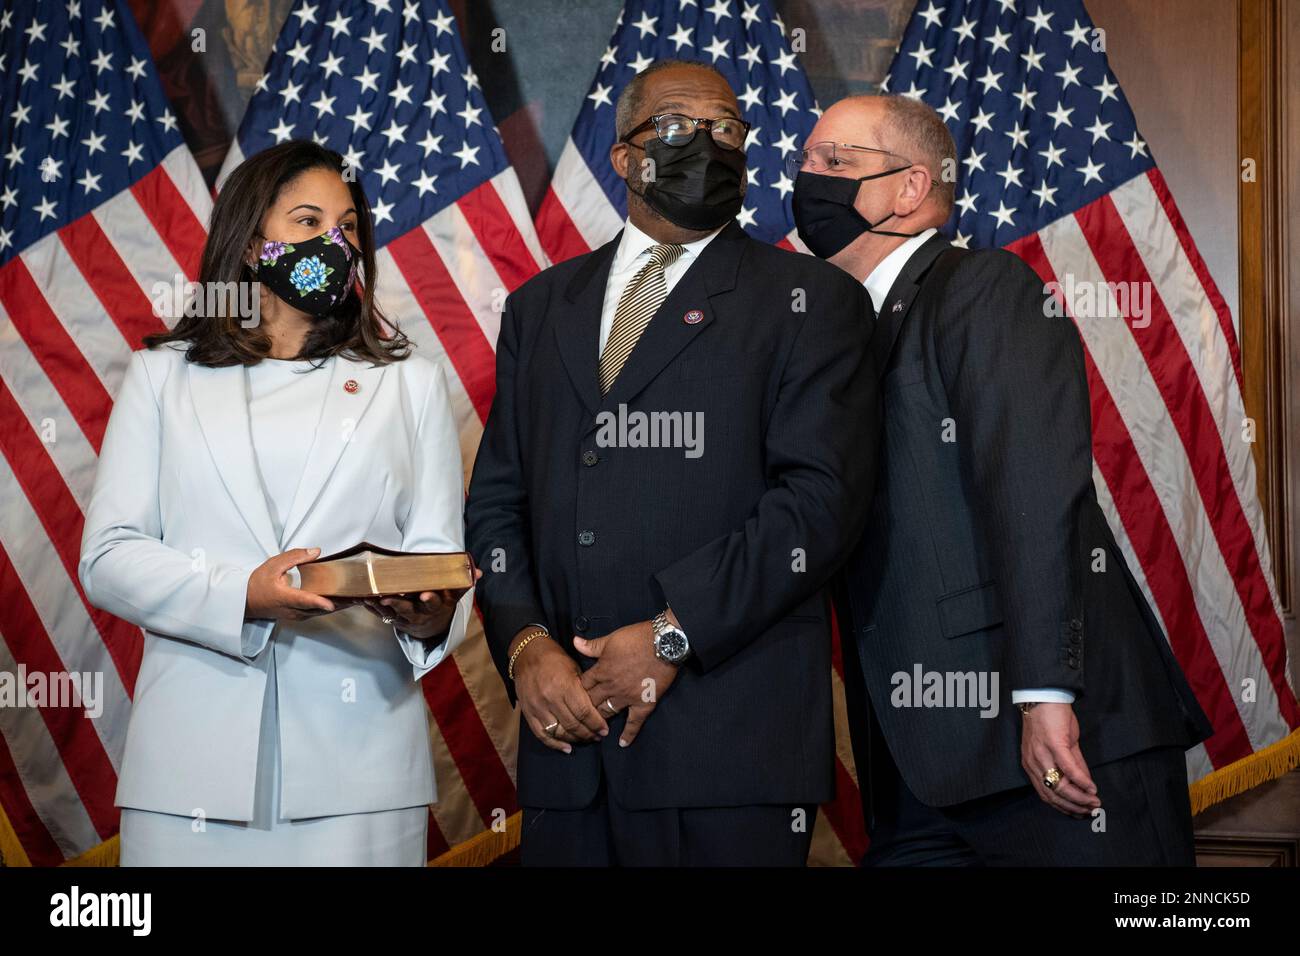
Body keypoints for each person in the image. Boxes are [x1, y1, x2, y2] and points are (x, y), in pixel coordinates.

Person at [465, 60, 878, 866]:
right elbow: (497, 502)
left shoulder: (809, 301)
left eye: (730, 131)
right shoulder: (542, 306)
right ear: (624, 157)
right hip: (568, 751)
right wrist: (525, 649)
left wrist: (671, 635)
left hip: (728, 754)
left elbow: (820, 504)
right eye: (684, 128)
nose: (713, 146)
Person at [791, 94, 1214, 865]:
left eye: (835, 163)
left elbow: (1033, 495)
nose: (806, 178)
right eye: (806, 163)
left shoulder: (982, 289)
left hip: (1056, 743)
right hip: (917, 773)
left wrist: (1044, 696)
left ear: (912, 188)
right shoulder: (840, 330)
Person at [78, 140, 475, 866]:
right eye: (306, 220)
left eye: (349, 225)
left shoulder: (410, 384)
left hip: (361, 776)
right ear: (253, 244)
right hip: (188, 777)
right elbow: (108, 558)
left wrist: (432, 611)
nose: (335, 241)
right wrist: (246, 596)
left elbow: (439, 559)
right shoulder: (161, 379)